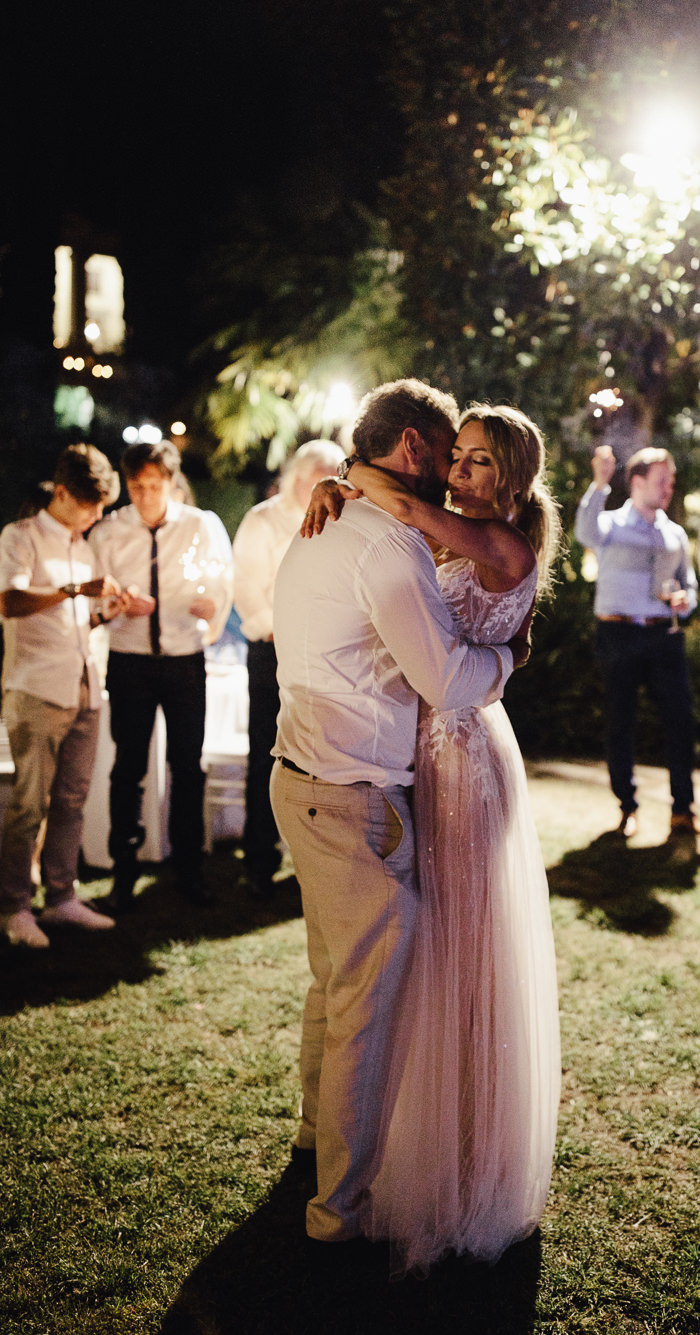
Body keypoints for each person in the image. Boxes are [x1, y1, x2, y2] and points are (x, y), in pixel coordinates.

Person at [268, 378, 530, 1251]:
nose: (456, 468)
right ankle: (338, 1209)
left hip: (304, 775)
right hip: (358, 791)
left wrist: (345, 477)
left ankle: (316, 1138)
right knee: (368, 1000)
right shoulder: (383, 542)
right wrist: (504, 669)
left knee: (338, 977)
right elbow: (449, 680)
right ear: (416, 449)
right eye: (450, 449)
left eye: (477, 456)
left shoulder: (326, 529)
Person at [88, 439, 233, 909]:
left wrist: (212, 611)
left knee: (187, 766)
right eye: (137, 486)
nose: (147, 495)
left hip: (184, 658)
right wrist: (118, 605)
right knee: (128, 767)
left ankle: (188, 869)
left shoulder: (201, 526)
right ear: (127, 485)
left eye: (155, 485)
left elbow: (221, 585)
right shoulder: (109, 532)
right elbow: (96, 604)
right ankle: (124, 870)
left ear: (171, 483)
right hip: (129, 659)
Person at [0, 444, 122, 948]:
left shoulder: (84, 545)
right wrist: (76, 590)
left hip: (85, 685)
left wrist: (102, 613)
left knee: (71, 800)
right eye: (89, 506)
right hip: (35, 688)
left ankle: (62, 897)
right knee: (29, 804)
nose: (95, 517)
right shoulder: (21, 536)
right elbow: (9, 600)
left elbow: (73, 623)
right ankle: (13, 908)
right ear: (63, 492)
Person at [573, 443, 700, 840]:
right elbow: (584, 531)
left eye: (670, 481)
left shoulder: (675, 534)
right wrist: (600, 483)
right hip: (619, 633)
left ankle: (683, 811)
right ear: (636, 483)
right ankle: (627, 808)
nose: (668, 488)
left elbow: (690, 583)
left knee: (681, 722)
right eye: (661, 481)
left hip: (663, 635)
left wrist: (687, 601)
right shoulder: (610, 526)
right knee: (621, 721)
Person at [232, 439, 345, 899]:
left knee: (324, 754)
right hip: (272, 651)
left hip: (326, 654)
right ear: (299, 478)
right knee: (267, 751)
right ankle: (260, 856)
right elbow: (245, 590)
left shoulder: (341, 519)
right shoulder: (262, 520)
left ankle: (316, 857)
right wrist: (278, 628)